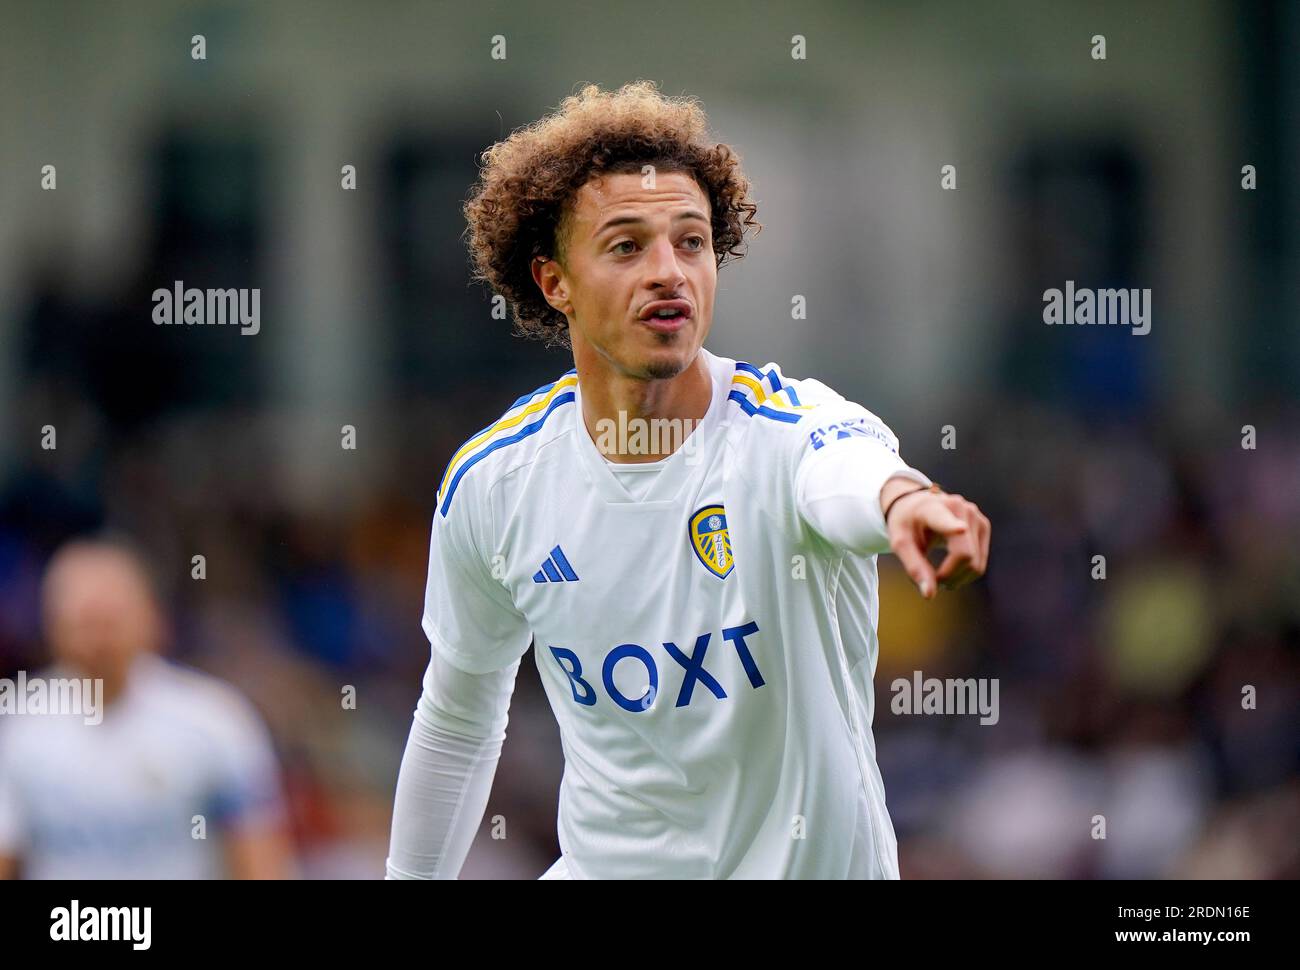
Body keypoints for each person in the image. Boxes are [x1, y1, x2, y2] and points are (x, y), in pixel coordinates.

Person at [386, 81, 990, 879]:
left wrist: (903, 501)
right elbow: (460, 720)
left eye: (692, 242)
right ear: (554, 281)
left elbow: (845, 473)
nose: (669, 272)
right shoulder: (496, 485)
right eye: (627, 246)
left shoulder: (787, 429)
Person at [0, 537, 294, 879]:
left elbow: (260, 858)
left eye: (109, 621)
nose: (98, 641)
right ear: (51, 625)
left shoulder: (215, 720)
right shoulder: (17, 726)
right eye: (83, 622)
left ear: (150, 616)